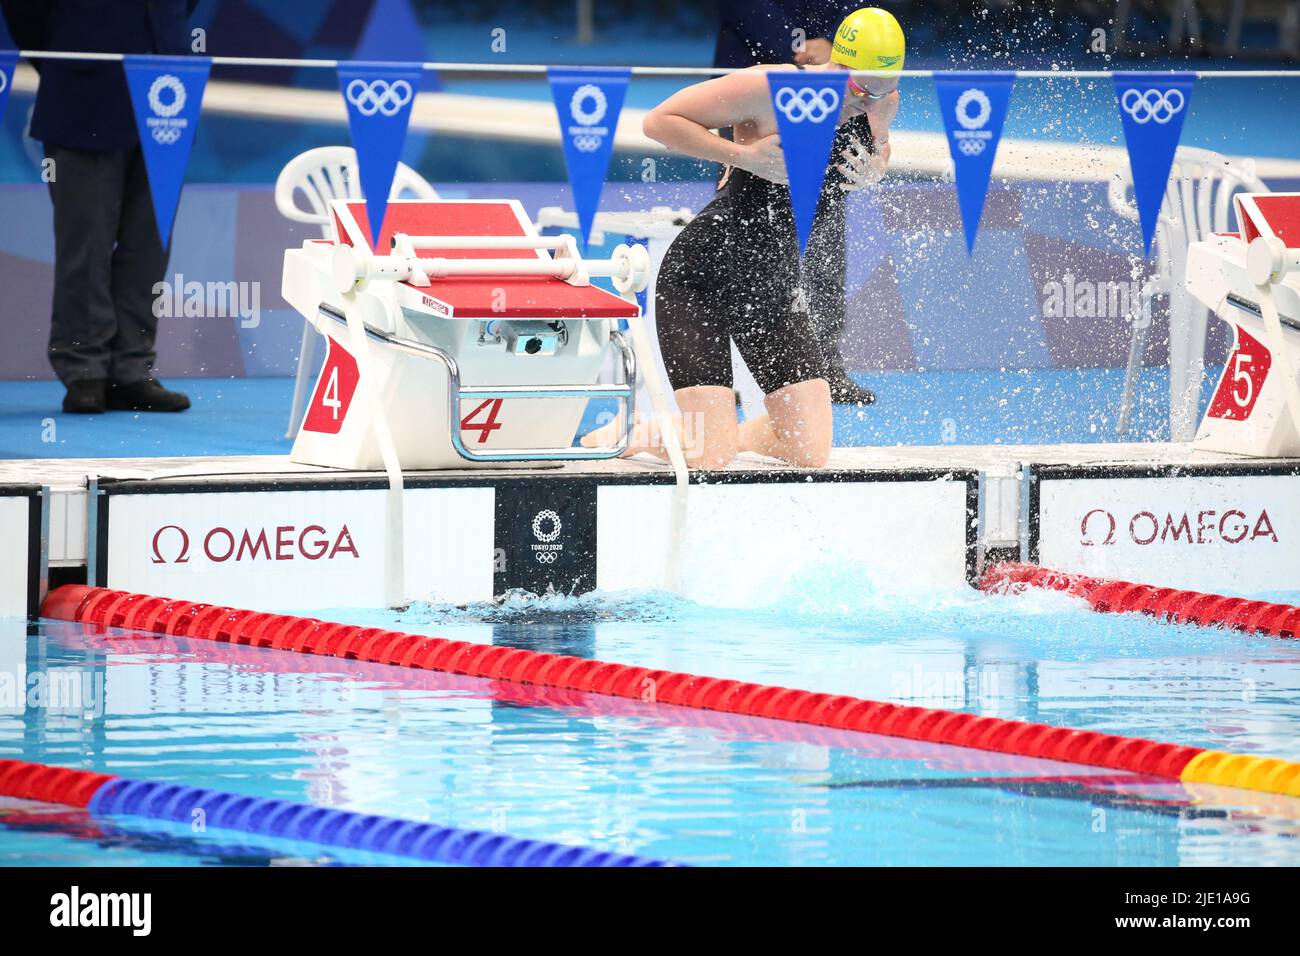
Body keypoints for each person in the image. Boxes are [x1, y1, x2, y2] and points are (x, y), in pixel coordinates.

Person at [585, 7, 903, 469]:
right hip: (703, 278)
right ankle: (628, 432)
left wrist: (876, 168)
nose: (866, 100)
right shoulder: (771, 86)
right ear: (839, 62)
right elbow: (660, 121)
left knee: (806, 449)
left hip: (772, 288)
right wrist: (744, 155)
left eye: (881, 88)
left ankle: (710, 434)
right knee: (709, 457)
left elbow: (881, 145)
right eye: (859, 88)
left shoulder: (881, 99)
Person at [2, 0, 196, 414]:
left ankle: (131, 370)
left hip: (167, 96)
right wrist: (67, 55)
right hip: (83, 94)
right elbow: (25, 13)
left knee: (149, 247)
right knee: (86, 246)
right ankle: (83, 370)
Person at [714, 1, 879, 406]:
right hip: (756, 75)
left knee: (827, 221)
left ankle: (823, 361)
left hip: (836, 73)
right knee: (740, 223)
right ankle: (724, 373)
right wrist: (800, 46)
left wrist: (837, 44)